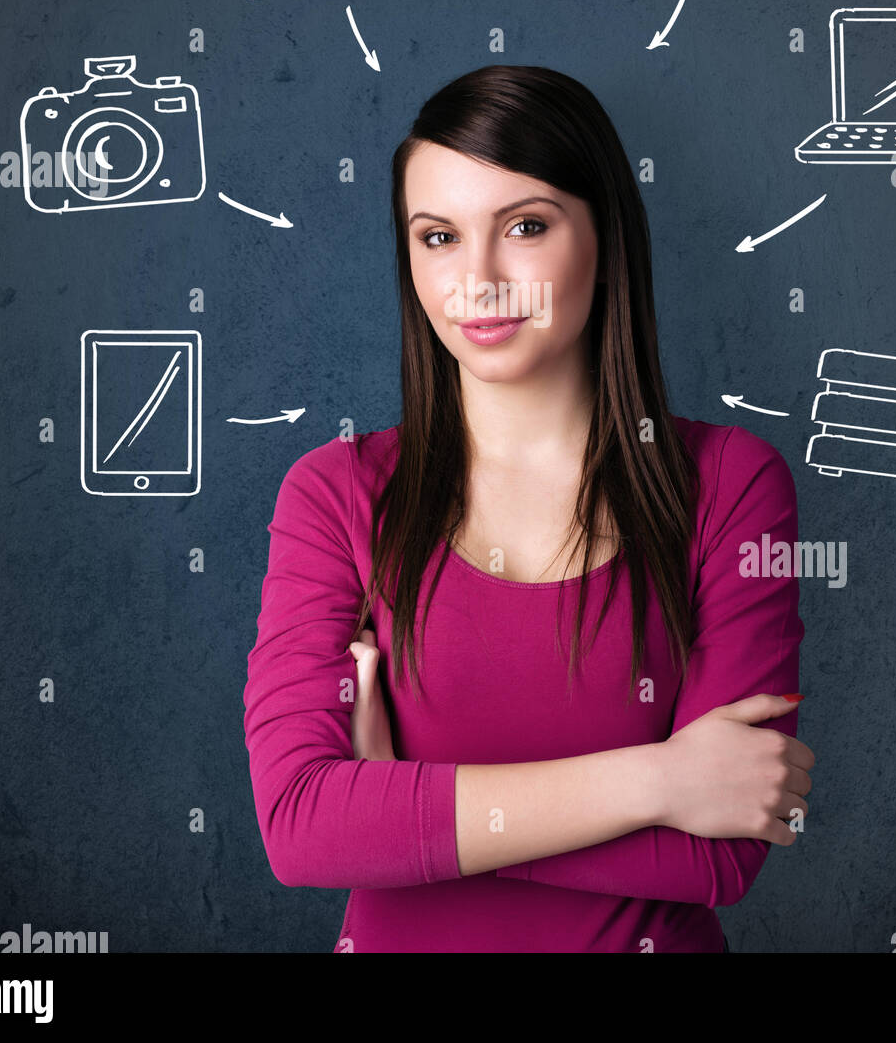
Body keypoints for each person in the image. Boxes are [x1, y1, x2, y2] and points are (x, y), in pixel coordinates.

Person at [243, 64, 813, 952]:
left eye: (525, 226)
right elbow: (303, 827)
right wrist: (663, 781)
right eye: (437, 237)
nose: (478, 278)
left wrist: (403, 804)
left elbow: (720, 856)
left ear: (604, 236)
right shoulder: (333, 494)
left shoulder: (730, 483)